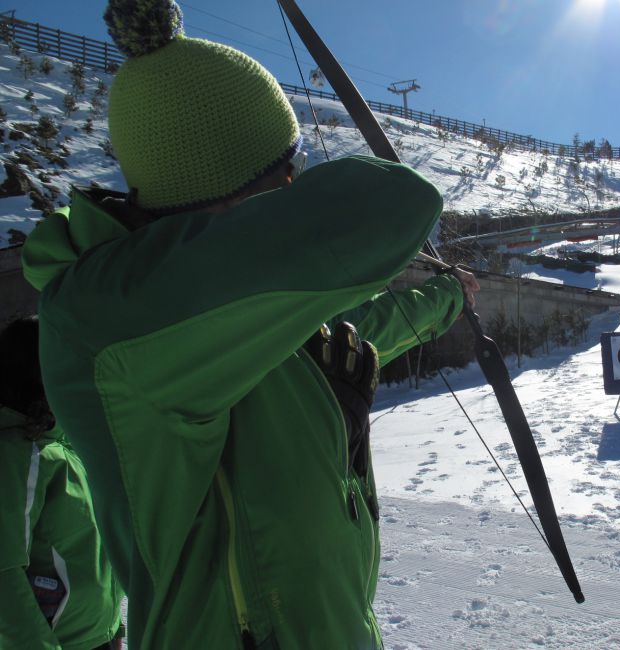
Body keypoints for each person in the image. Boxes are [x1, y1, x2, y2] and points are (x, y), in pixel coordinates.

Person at [22, 1, 476, 648]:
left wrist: (448, 297)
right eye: (287, 169)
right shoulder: (108, 320)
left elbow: (358, 328)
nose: (296, 182)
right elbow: (396, 204)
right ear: (228, 193)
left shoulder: (225, 312)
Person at [0, 317, 124, 650]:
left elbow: (91, 548)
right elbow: (4, 575)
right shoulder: (14, 455)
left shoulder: (64, 444)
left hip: (95, 637)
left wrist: (114, 628)